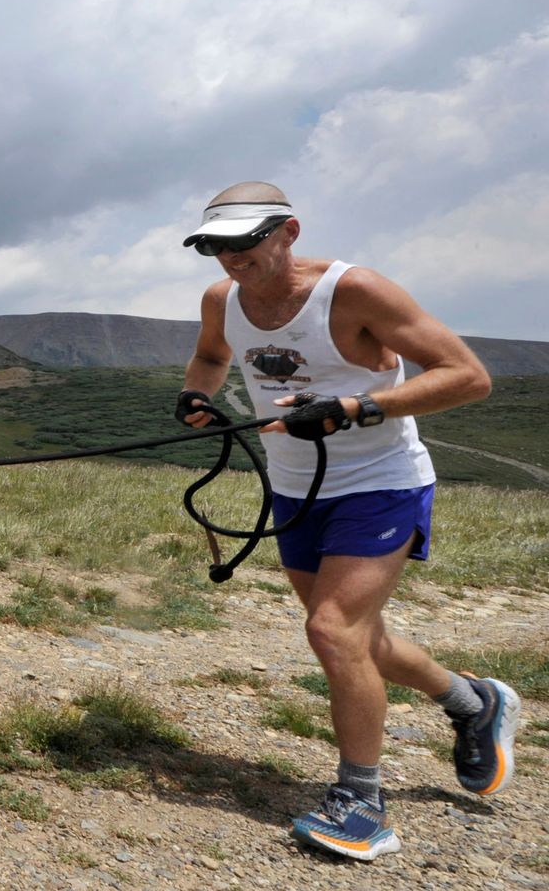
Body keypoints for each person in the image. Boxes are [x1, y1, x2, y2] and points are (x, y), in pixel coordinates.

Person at [175, 182, 515, 861]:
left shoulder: (354, 291)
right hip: (296, 487)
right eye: (215, 246)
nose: (231, 257)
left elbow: (467, 375)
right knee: (355, 639)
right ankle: (473, 703)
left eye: (245, 242)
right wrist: (196, 395)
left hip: (380, 482)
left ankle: (362, 802)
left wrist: (357, 408)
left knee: (332, 630)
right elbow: (213, 355)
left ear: (289, 232)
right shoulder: (222, 300)